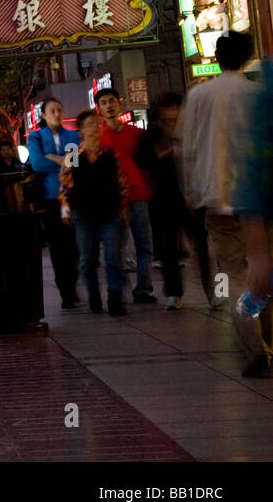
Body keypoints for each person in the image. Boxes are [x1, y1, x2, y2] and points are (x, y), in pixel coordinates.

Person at [180, 31, 272, 377]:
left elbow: (188, 148)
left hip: (216, 199)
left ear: (217, 58)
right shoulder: (257, 92)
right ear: (249, 55)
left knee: (235, 272)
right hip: (260, 198)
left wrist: (191, 189)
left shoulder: (200, 94)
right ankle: (269, 337)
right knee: (268, 267)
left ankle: (252, 346)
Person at [147, 93, 216, 312]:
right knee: (168, 251)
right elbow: (145, 162)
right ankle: (174, 294)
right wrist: (164, 153)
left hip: (196, 199)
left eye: (176, 108)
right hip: (164, 200)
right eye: (168, 108)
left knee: (206, 249)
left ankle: (216, 293)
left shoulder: (193, 132)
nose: (172, 113)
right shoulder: (153, 136)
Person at [61, 109, 130, 315]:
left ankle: (115, 297)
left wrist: (123, 207)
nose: (95, 128)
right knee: (87, 259)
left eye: (98, 124)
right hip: (83, 214)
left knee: (112, 257)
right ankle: (93, 296)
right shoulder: (73, 153)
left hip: (110, 213)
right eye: (90, 124)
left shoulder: (109, 154)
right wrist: (65, 209)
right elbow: (65, 183)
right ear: (80, 130)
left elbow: (121, 182)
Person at [96, 87, 157, 304]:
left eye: (111, 101)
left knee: (144, 246)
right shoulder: (95, 137)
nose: (108, 106)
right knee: (114, 250)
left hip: (138, 194)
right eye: (103, 103)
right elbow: (73, 162)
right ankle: (117, 291)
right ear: (98, 108)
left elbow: (149, 163)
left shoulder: (137, 134)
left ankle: (143, 289)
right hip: (111, 200)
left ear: (119, 103)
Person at [26, 99, 82, 309]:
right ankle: (65, 292)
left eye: (60, 110)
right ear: (43, 115)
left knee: (74, 247)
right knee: (58, 247)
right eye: (52, 111)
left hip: (70, 196)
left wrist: (52, 157)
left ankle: (72, 284)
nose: (57, 114)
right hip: (48, 198)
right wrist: (61, 161)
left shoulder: (72, 135)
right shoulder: (36, 136)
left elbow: (74, 163)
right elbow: (37, 164)